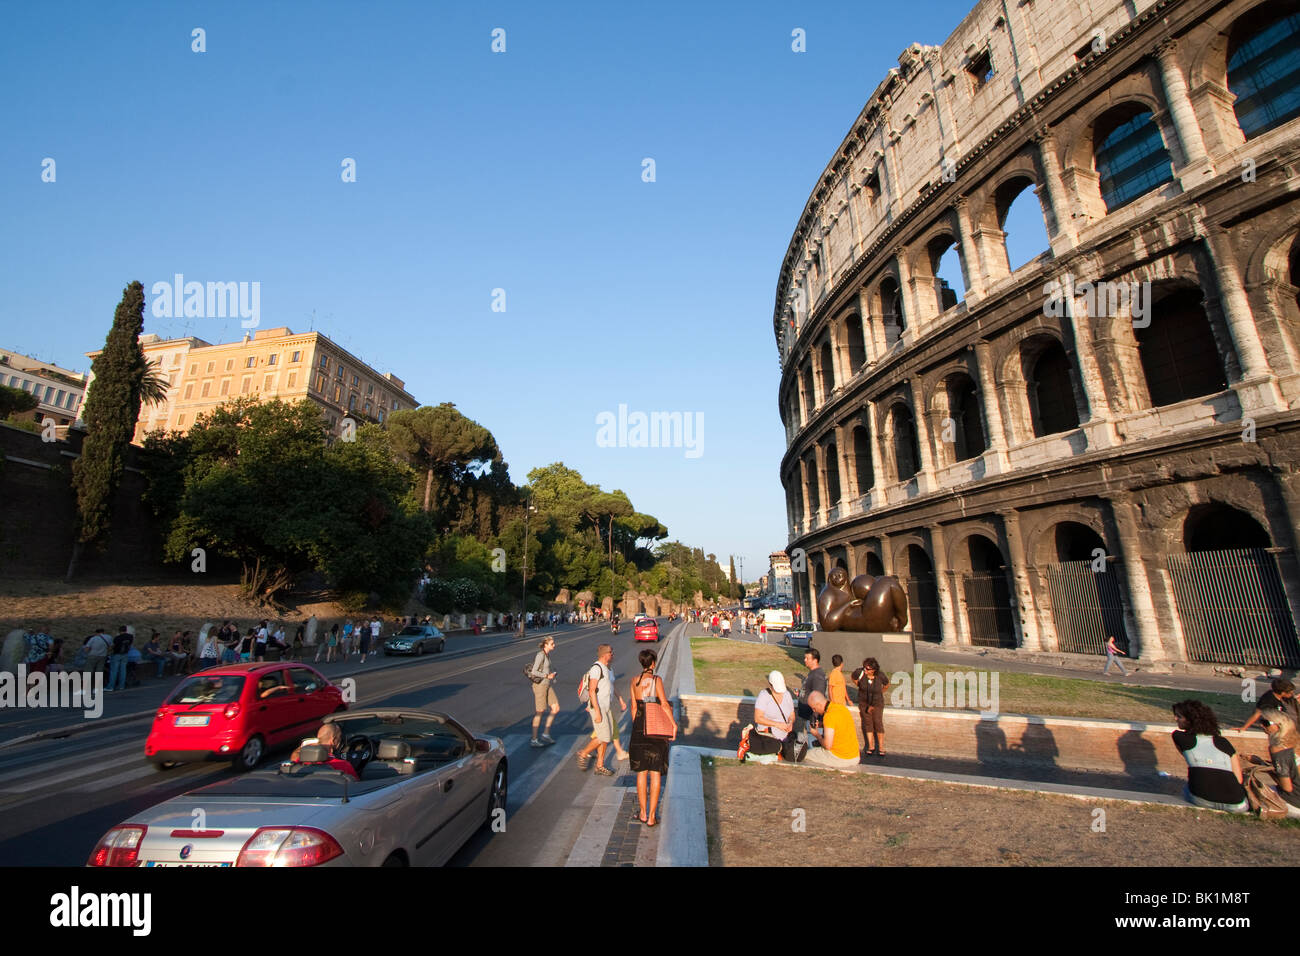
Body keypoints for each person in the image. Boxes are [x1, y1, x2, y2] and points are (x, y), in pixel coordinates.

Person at [1170, 700, 1248, 812]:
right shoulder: (1224, 742)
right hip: (1236, 804)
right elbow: (1239, 779)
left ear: (1190, 719)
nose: (1175, 719)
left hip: (1201, 799)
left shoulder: (1179, 737)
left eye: (1179, 716)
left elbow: (1188, 757)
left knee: (1187, 788)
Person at [629, 649, 670, 825]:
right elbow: (665, 704)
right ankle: (652, 817)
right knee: (655, 773)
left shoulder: (633, 681)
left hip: (639, 727)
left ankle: (643, 813)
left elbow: (633, 709)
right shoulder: (656, 680)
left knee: (641, 773)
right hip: (655, 728)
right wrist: (672, 725)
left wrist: (637, 726)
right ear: (652, 663)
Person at [576, 644, 626, 776]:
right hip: (598, 707)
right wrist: (597, 711)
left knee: (605, 737)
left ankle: (599, 765)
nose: (613, 654)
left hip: (606, 707)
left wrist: (620, 699)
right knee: (603, 736)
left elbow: (612, 686)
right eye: (611, 652)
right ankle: (584, 753)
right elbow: (592, 691)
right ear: (604, 655)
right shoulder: (596, 669)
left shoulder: (609, 669)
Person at [737, 671, 795, 762]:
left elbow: (792, 714)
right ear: (770, 685)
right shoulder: (764, 695)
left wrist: (790, 723)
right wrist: (778, 724)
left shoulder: (787, 694)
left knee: (794, 752)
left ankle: (772, 752)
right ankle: (748, 743)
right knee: (776, 746)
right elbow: (758, 718)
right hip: (768, 734)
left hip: (784, 735)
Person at [799, 691, 860, 770]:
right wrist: (822, 725)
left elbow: (827, 746)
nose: (814, 711)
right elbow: (838, 726)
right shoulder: (841, 708)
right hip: (855, 756)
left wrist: (816, 734)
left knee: (805, 754)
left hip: (840, 758)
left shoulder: (829, 716)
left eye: (814, 708)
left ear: (818, 704)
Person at [289, 723, 359, 780]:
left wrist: (306, 744)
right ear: (334, 741)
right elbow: (356, 785)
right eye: (339, 737)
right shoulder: (343, 765)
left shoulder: (301, 762)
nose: (341, 740)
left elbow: (293, 756)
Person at [852, 657, 890, 757]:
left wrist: (880, 692)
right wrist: (859, 685)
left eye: (868, 669)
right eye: (865, 668)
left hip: (877, 703)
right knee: (867, 722)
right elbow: (854, 678)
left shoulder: (880, 676)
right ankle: (870, 746)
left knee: (878, 722)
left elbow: (886, 684)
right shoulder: (860, 673)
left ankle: (881, 747)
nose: (865, 670)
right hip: (864, 702)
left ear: (873, 670)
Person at [528, 637, 559, 747]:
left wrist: (551, 674)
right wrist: (547, 675)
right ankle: (534, 739)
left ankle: (546, 733)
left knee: (555, 708)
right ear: (545, 645)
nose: (554, 645)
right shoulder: (540, 655)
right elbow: (534, 671)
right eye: (552, 643)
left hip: (547, 684)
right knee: (539, 712)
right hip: (540, 686)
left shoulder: (547, 655)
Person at [795, 648, 827, 748]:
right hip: (807, 715)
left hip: (812, 717)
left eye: (807, 658)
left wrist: (815, 718)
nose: (805, 660)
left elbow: (818, 697)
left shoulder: (817, 675)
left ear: (815, 660)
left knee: (812, 744)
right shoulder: (812, 673)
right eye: (805, 658)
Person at [108, 626, 133, 692]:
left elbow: (113, 646)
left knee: (114, 671)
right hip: (125, 654)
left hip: (117, 654)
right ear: (126, 630)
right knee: (123, 671)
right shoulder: (130, 636)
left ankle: (111, 686)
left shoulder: (117, 638)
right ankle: (121, 686)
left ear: (119, 631)